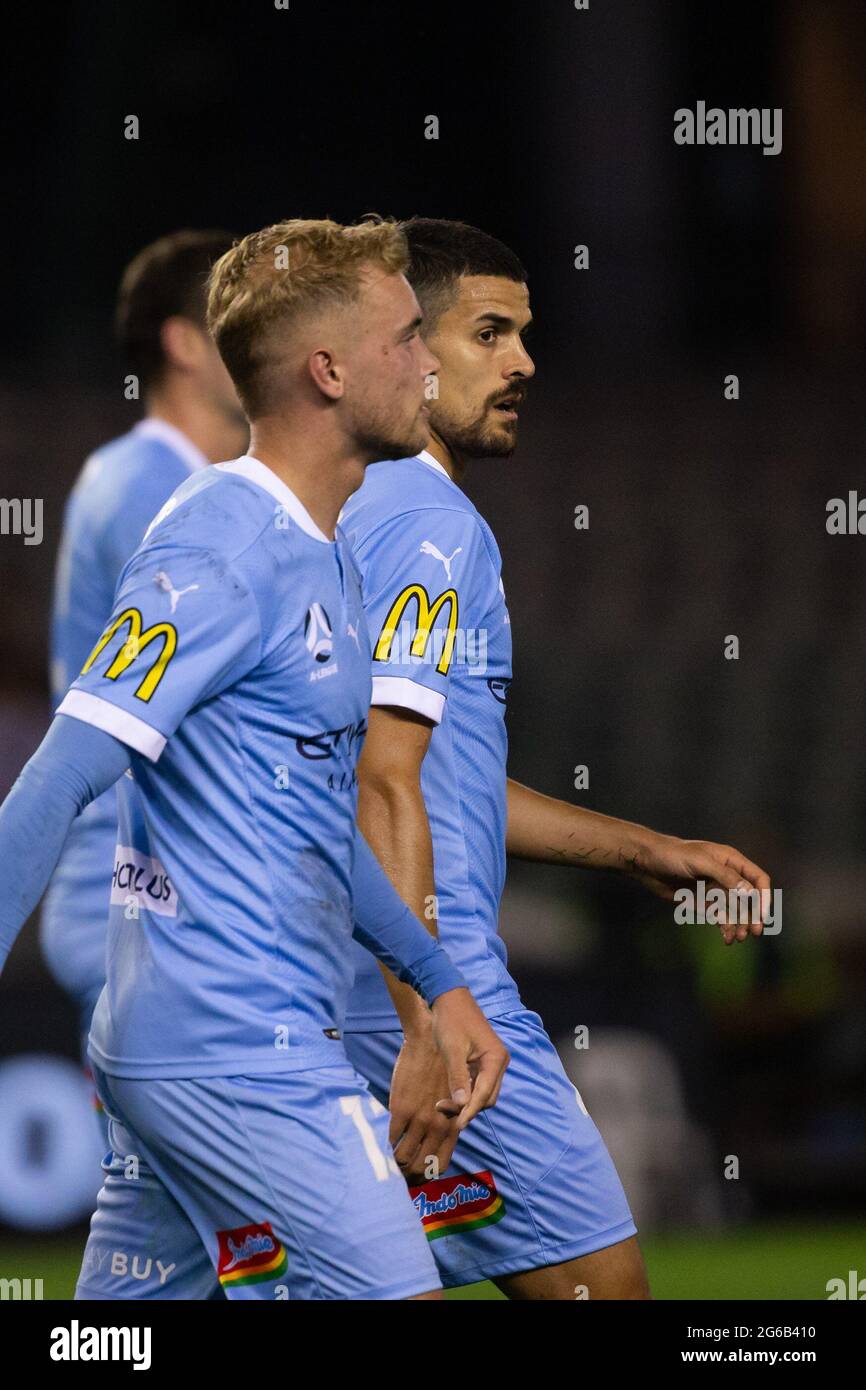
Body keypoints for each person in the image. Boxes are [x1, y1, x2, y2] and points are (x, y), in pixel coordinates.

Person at [0, 217, 508, 1301]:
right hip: (235, 1052)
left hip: (207, 1039)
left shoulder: (323, 546)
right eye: (408, 336)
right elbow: (60, 773)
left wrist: (435, 979)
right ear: (327, 370)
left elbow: (316, 820)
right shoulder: (219, 547)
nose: (429, 361)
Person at [340, 217, 772, 1299]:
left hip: (318, 981)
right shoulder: (427, 526)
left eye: (524, 334)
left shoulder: (344, 511)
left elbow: (423, 774)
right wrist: (429, 1007)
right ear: (407, 347)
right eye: (491, 333)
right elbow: (379, 781)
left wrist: (638, 848)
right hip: (429, 989)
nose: (525, 362)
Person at [41, 230, 248, 1135]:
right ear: (183, 342)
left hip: (176, 904)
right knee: (280, 1219)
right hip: (139, 904)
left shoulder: (199, 485)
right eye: (242, 318)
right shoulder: (140, 484)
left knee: (186, 1245)